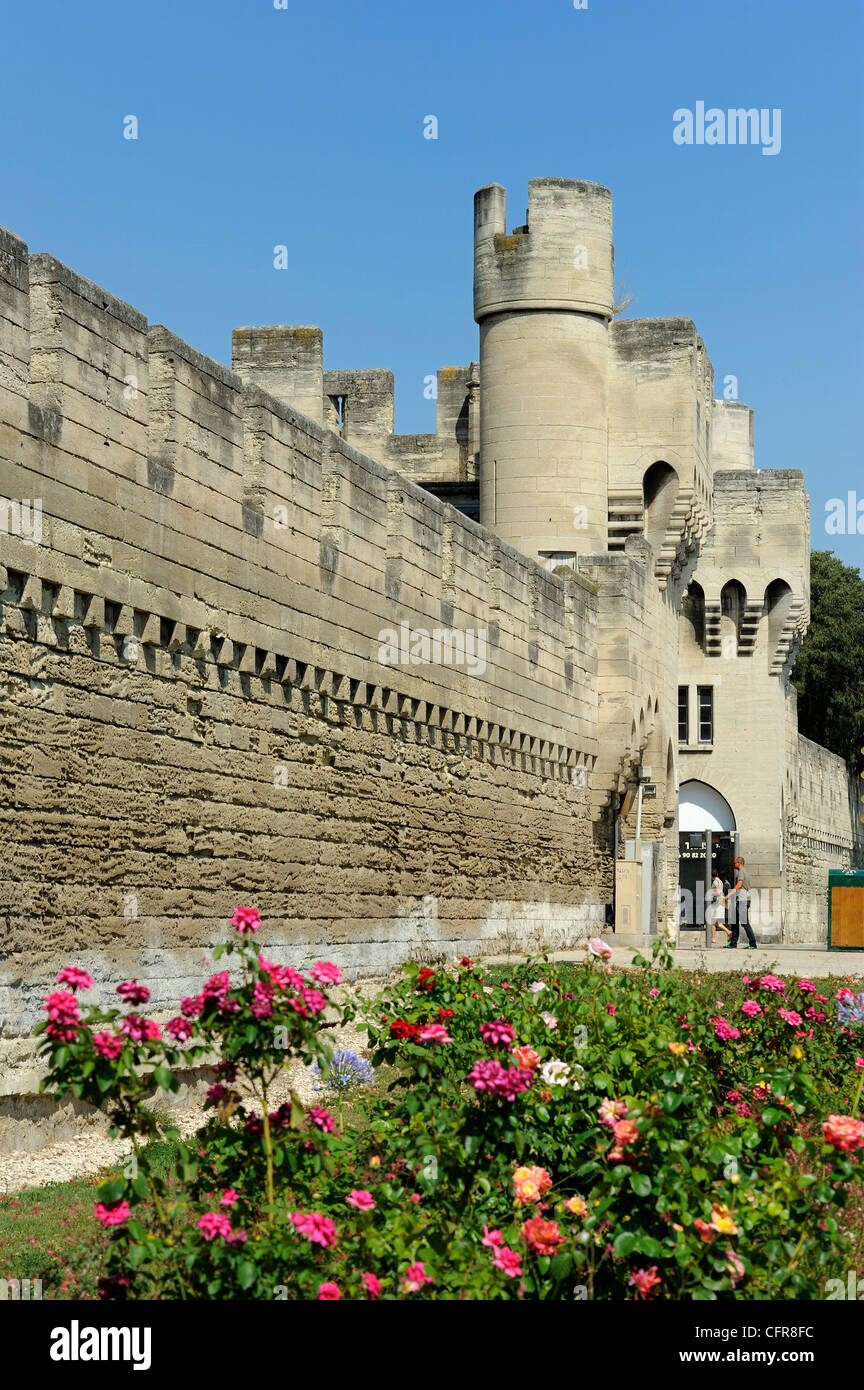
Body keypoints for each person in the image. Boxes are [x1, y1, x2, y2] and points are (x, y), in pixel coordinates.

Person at [725, 857, 756, 949]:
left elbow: (739, 885)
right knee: (735, 922)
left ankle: (753, 944)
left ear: (739, 863)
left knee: (745, 923)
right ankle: (733, 943)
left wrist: (728, 895)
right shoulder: (746, 872)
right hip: (742, 899)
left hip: (742, 900)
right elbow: (749, 887)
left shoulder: (741, 872)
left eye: (735, 863)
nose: (734, 865)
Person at [708, 871, 730, 945]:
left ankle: (714, 938)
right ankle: (727, 932)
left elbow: (718, 892)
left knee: (713, 922)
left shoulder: (715, 882)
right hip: (721, 902)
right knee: (716, 922)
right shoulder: (720, 881)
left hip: (717, 904)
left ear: (711, 876)